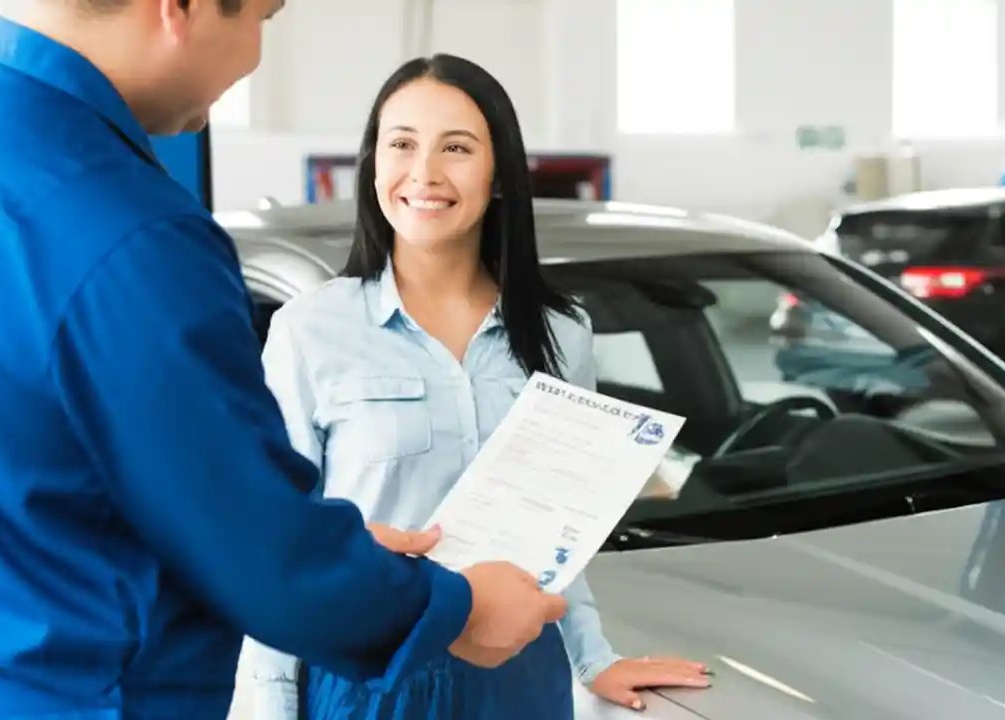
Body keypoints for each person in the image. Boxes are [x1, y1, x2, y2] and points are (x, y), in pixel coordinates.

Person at [0, 4, 567, 718]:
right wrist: (455, 608)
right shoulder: (128, 226)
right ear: (178, 9)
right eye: (262, 18)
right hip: (71, 690)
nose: (252, 58)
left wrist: (301, 534)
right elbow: (263, 555)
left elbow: (22, 462)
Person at [236, 54, 712, 720]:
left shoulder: (560, 332)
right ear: (374, 163)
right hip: (367, 678)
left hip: (519, 680)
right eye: (401, 144)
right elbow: (278, 544)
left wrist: (593, 659)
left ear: (497, 176)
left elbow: (557, 533)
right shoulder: (312, 330)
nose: (424, 173)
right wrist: (273, 707)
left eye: (456, 148)